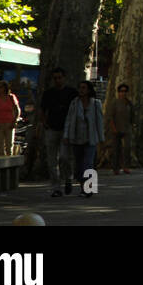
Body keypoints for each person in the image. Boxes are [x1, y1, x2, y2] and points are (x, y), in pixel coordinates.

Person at [39, 67, 78, 197]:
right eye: (55, 78)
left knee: (65, 157)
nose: (57, 80)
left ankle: (68, 178)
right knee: (51, 160)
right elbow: (43, 109)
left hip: (67, 129)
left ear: (64, 78)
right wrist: (44, 123)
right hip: (51, 128)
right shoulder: (48, 93)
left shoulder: (72, 92)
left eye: (59, 77)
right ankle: (56, 187)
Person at [63, 80, 104, 198]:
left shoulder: (96, 103)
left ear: (89, 90)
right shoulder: (74, 103)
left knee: (88, 164)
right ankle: (83, 186)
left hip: (91, 138)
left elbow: (99, 122)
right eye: (80, 88)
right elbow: (69, 120)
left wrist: (101, 139)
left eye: (84, 88)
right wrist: (66, 135)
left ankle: (89, 188)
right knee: (79, 165)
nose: (81, 90)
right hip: (76, 138)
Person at [104, 83, 133, 176]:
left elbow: (133, 116)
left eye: (125, 91)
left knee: (127, 148)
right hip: (116, 129)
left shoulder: (129, 103)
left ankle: (126, 166)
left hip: (127, 129)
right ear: (118, 92)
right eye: (121, 91)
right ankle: (115, 168)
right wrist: (113, 128)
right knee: (116, 149)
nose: (123, 93)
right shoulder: (114, 103)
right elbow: (110, 117)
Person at [0, 80, 21, 157]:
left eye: (0, 87)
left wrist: (15, 121)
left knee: (9, 144)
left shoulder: (11, 97)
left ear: (5, 88)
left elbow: (17, 109)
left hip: (10, 123)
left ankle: (9, 162)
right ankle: (0, 161)